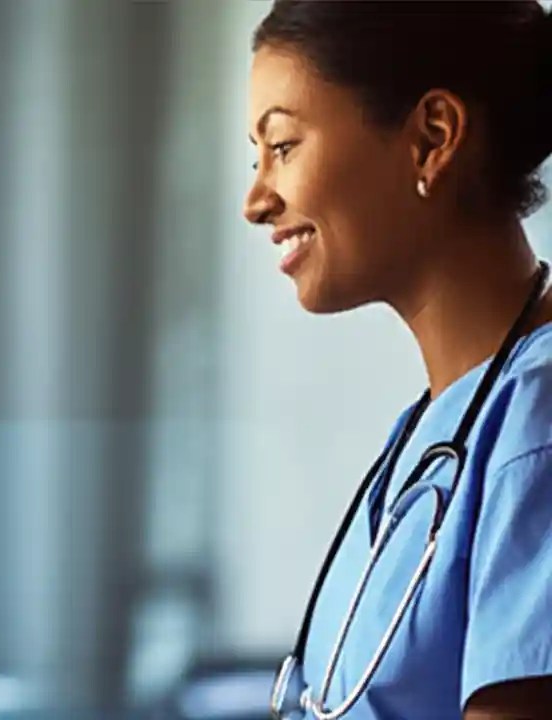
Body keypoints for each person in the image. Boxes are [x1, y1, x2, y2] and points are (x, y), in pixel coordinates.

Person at [243, 2, 552, 718]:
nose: (255, 200)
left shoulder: (535, 423)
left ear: (431, 138)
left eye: (282, 146)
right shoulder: (432, 431)